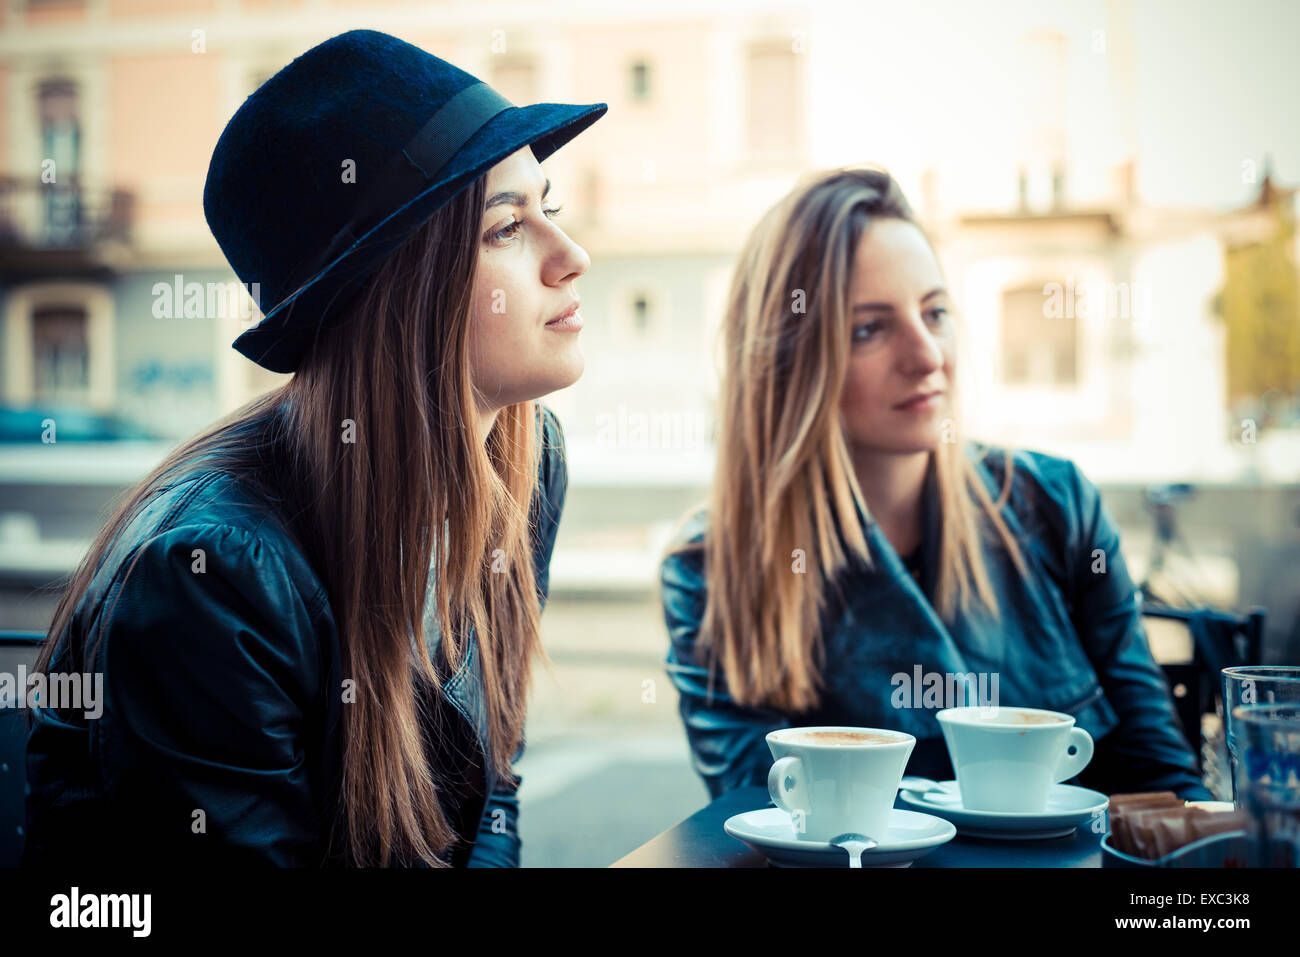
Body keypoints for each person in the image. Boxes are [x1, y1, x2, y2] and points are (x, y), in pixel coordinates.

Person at [23, 29, 606, 867]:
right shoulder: (211, 577)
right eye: (507, 228)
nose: (572, 257)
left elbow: (492, 786)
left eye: (548, 207)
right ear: (395, 292)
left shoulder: (526, 463)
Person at [659, 165, 1212, 805]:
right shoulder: (713, 567)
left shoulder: (1055, 505)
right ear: (790, 360)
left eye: (935, 312)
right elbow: (766, 816)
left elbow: (1167, 789)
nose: (927, 355)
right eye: (870, 328)